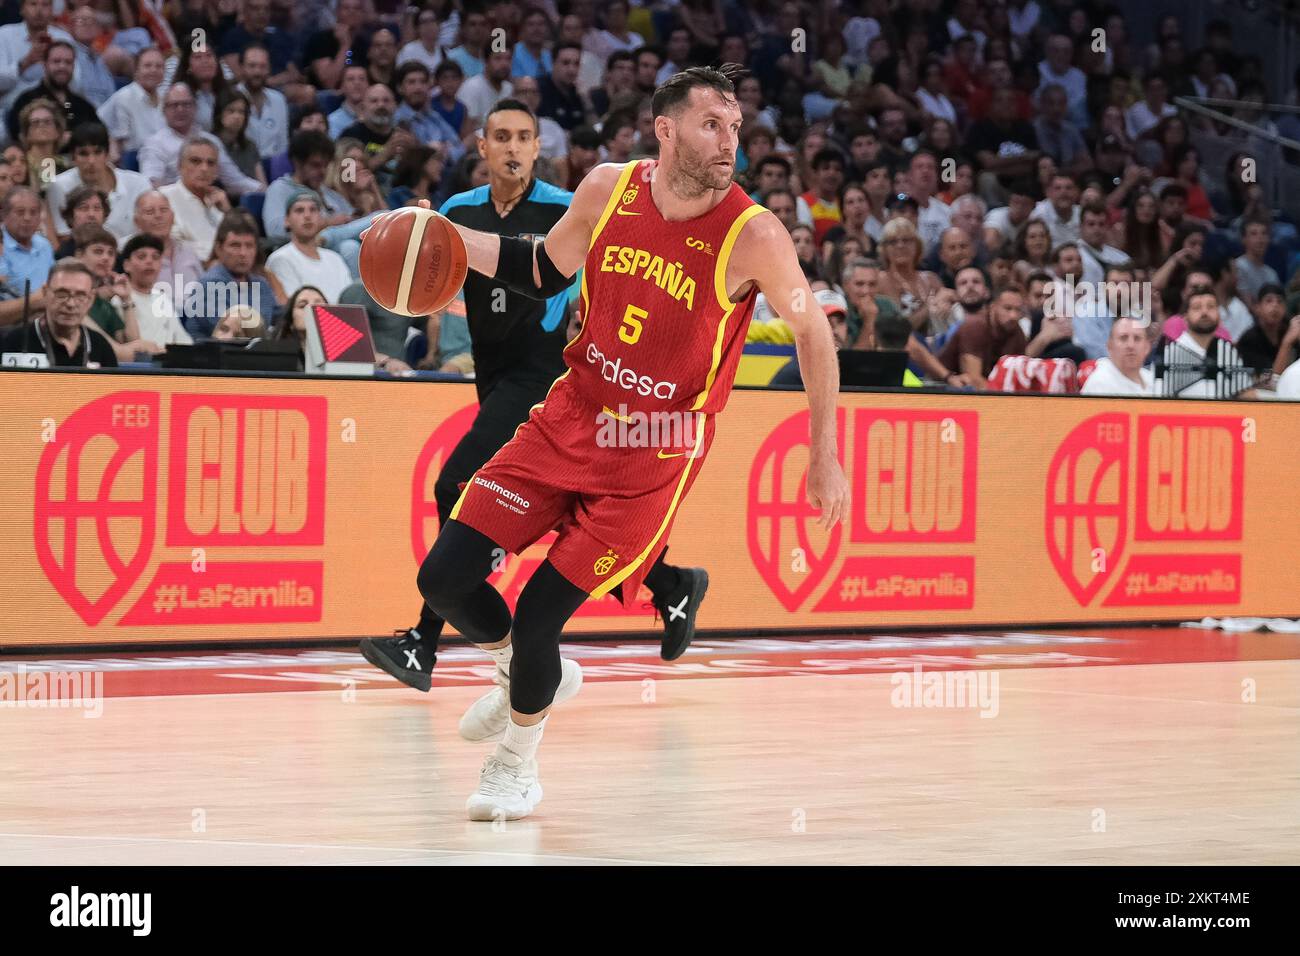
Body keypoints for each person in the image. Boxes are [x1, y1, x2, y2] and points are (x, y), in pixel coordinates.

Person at [366, 66, 848, 820]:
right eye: (711, 125)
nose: (729, 143)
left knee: (537, 621)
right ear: (666, 129)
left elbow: (814, 333)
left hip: (654, 451)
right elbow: (541, 267)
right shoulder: (607, 188)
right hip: (570, 414)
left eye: (735, 127)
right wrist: (454, 239)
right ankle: (525, 675)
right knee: (444, 579)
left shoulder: (753, 233)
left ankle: (516, 764)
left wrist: (825, 455)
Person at [360, 95, 713, 693]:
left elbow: (585, 274)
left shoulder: (562, 206)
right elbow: (431, 273)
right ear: (482, 147)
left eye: (524, 137)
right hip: (492, 372)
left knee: (455, 484)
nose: (513, 148)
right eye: (501, 137)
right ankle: (669, 582)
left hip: (546, 376)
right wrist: (402, 236)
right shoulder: (457, 210)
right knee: (556, 507)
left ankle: (426, 639)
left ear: (536, 147)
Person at [47, 123, 152, 243]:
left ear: (107, 155)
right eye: (83, 154)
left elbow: (149, 229)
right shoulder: (59, 186)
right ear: (73, 157)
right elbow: (64, 237)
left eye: (97, 152)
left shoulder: (139, 183)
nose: (91, 161)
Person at [0, 260, 118, 367]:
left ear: (91, 299)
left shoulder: (101, 346)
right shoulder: (14, 342)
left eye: (80, 296)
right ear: (45, 293)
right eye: (62, 294)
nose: (71, 304)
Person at [937, 268, 1027, 389]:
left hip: (990, 389)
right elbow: (974, 380)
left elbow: (1019, 376)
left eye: (1018, 310)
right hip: (943, 389)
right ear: (993, 306)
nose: (1013, 316)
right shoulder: (974, 326)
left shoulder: (1016, 331)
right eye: (1007, 308)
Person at [159, 137, 232, 264]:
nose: (204, 168)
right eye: (195, 161)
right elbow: (174, 247)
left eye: (210, 163)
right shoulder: (163, 198)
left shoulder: (219, 202)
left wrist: (228, 213)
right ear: (180, 166)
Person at [265, 192, 351, 301]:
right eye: (299, 210)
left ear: (320, 218)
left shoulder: (335, 258)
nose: (307, 216)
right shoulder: (280, 259)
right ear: (287, 221)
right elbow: (296, 308)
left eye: (313, 210)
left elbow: (350, 302)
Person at [121, 233, 193, 346]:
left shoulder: (163, 298)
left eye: (155, 257)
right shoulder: (120, 299)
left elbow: (184, 341)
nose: (149, 262)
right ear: (127, 265)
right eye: (141, 257)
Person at [97, 46, 167, 159]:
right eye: (147, 66)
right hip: (133, 160)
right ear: (136, 70)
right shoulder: (124, 97)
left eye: (159, 66)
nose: (153, 70)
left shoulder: (167, 98)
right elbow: (117, 139)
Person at [0, 185, 55, 327]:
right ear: (4, 215)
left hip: (48, 315)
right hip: (11, 322)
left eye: (34, 212)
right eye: (20, 212)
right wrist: (35, 301)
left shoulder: (44, 245)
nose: (27, 218)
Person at [1081, 317, 1156, 396]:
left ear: (1147, 347)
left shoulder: (1152, 378)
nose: (1131, 345)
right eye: (1123, 338)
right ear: (1110, 346)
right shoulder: (1100, 383)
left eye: (1137, 338)